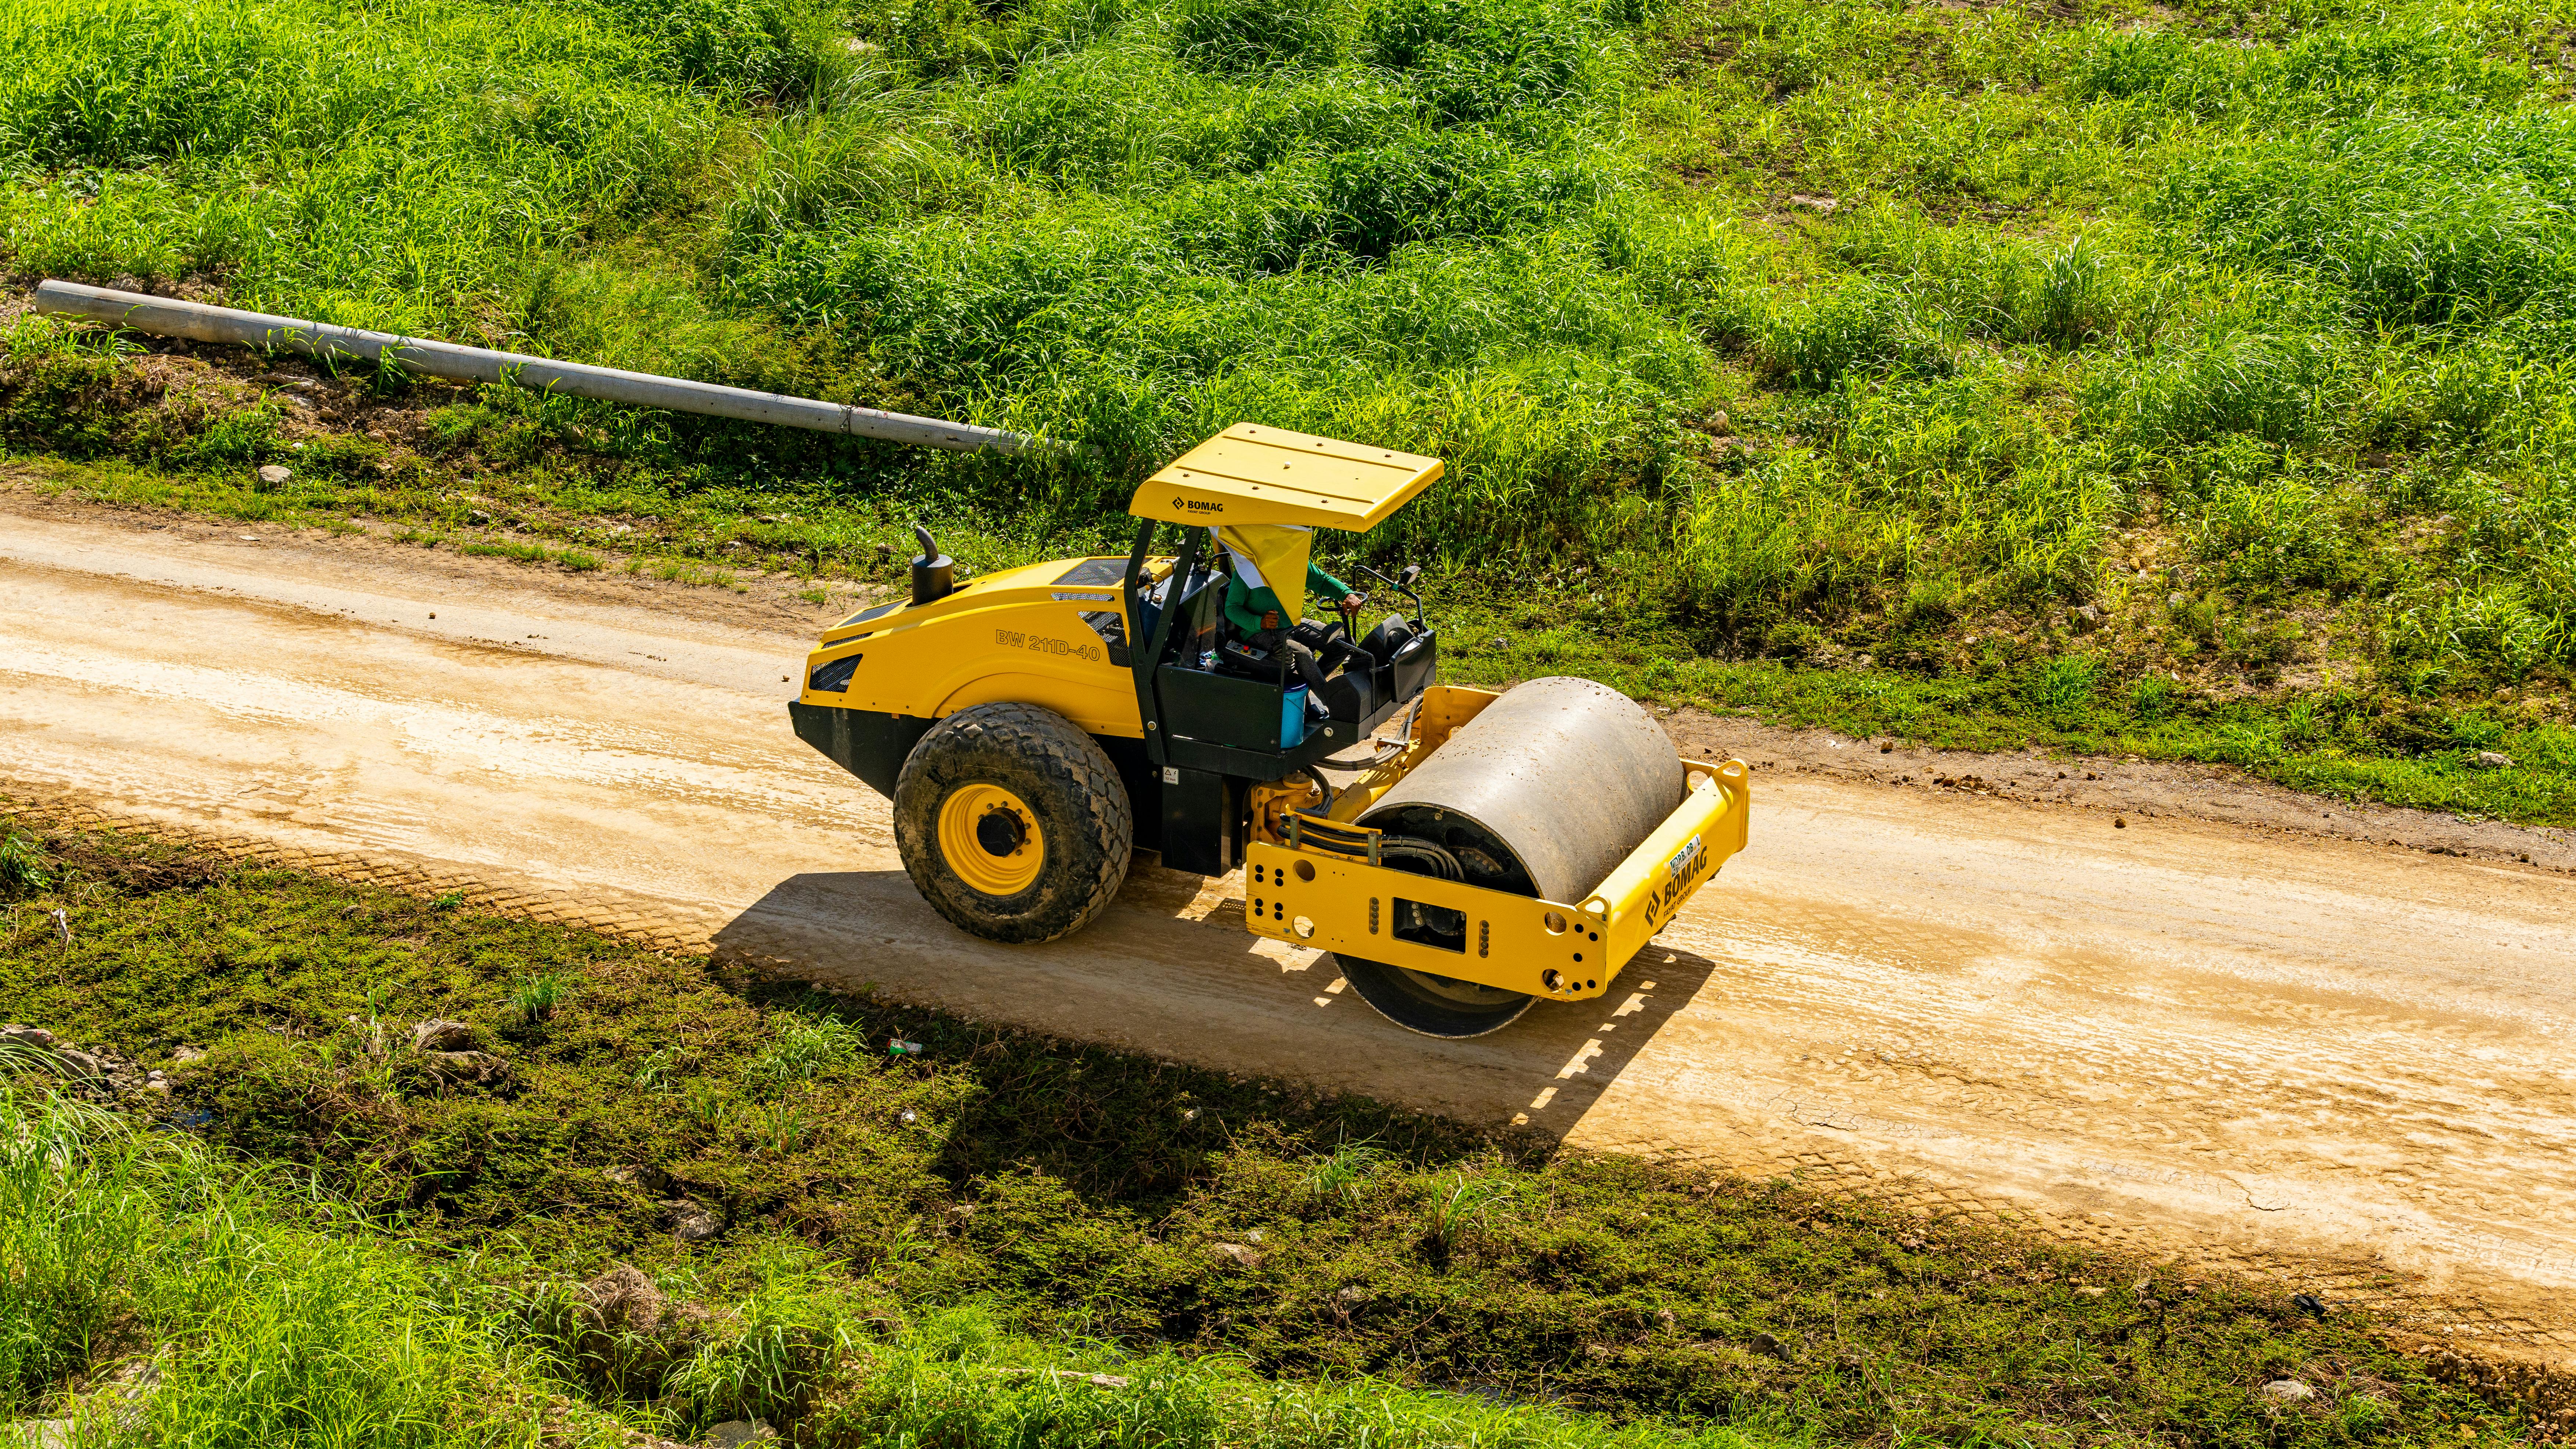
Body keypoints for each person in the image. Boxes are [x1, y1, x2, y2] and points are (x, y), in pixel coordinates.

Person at [1213, 523, 1363, 700]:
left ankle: (1308, 687)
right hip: (1258, 632)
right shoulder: (1249, 570)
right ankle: (1331, 701)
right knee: (1303, 654)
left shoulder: (1295, 562)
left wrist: (1347, 593)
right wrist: (1259, 622)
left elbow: (1322, 581)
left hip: (1292, 623)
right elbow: (1232, 609)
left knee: (1343, 643)